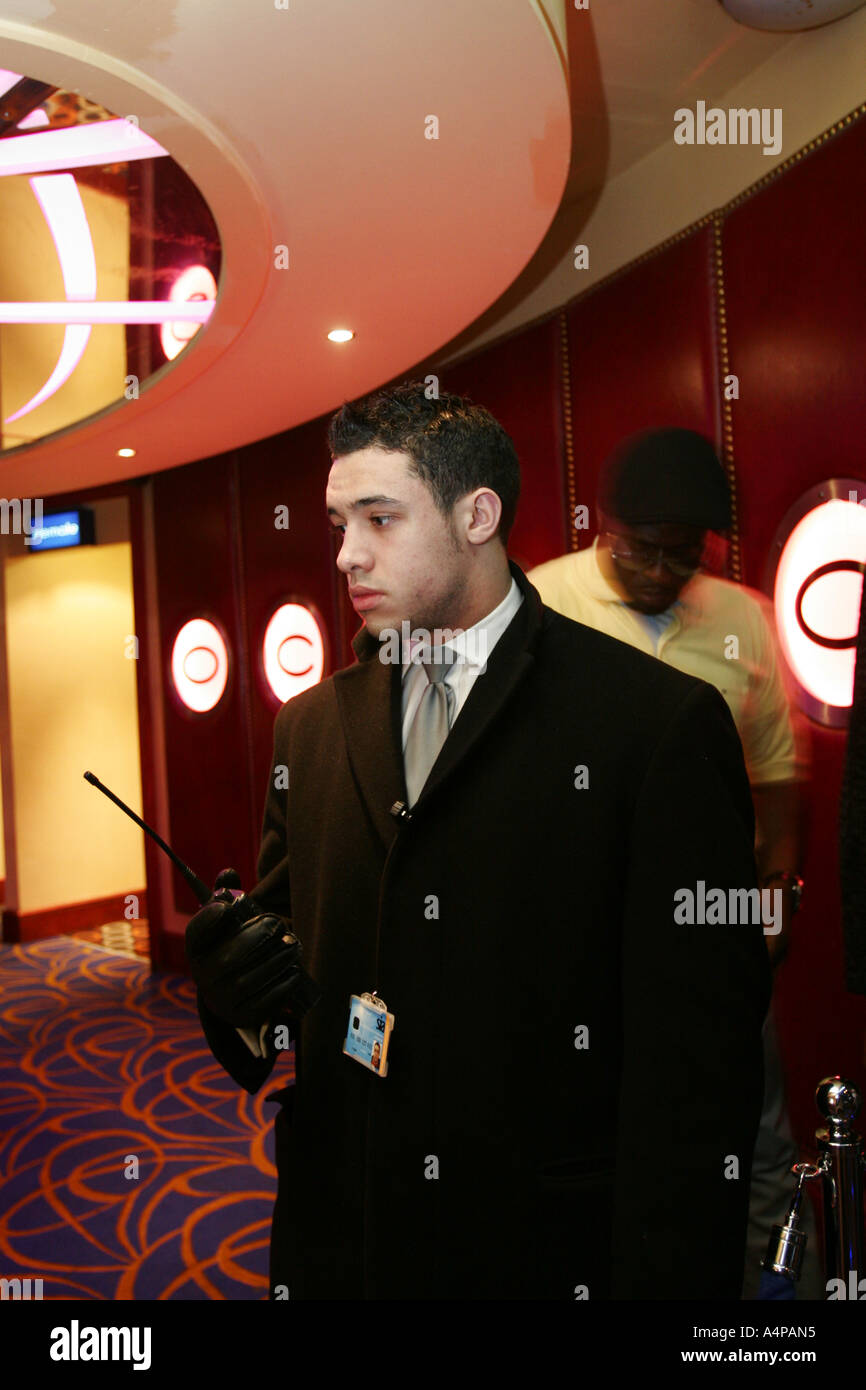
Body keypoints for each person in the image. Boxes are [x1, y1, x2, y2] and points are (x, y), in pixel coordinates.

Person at [193, 384, 770, 1301]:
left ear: (477, 515)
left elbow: (697, 1071)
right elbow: (289, 964)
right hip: (348, 1237)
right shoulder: (310, 727)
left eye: (380, 518)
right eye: (341, 521)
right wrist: (229, 987)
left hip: (539, 1248)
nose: (347, 553)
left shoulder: (651, 726)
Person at [527, 426, 820, 1300]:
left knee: (759, 1141)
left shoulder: (739, 618)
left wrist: (773, 901)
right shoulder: (541, 606)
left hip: (717, 923)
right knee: (598, 1138)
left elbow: (775, 775)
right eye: (646, 551)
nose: (663, 572)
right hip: (586, 937)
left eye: (683, 555)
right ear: (604, 531)